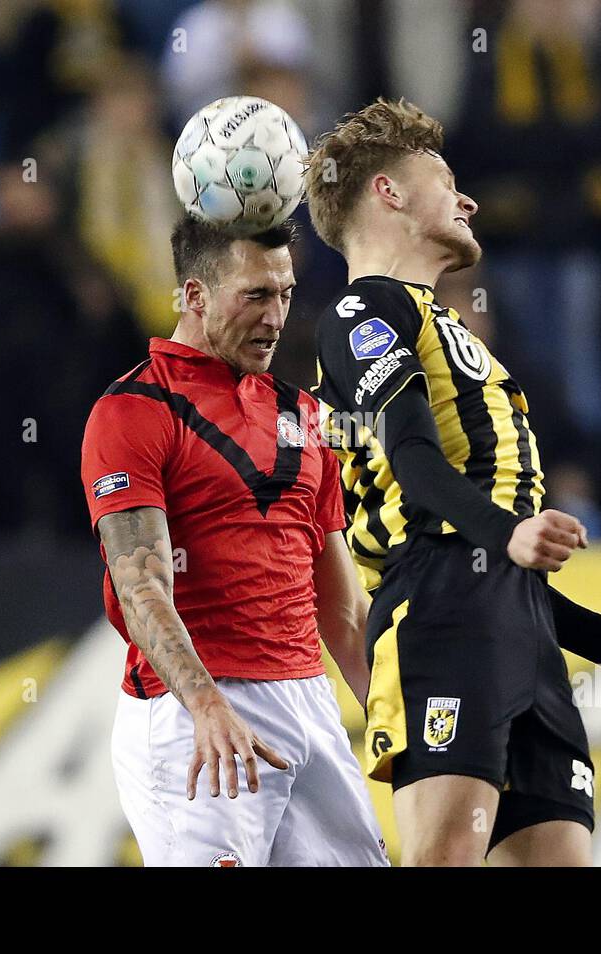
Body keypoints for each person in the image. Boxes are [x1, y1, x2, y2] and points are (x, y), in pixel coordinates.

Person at [303, 98, 601, 866]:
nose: (468, 199)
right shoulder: (364, 309)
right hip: (440, 622)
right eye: (445, 179)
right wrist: (511, 530)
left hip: (513, 633)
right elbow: (416, 464)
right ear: (387, 194)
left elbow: (498, 565)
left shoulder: (444, 325)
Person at [81, 216, 387, 867]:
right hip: (192, 711)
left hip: (308, 706)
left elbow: (343, 614)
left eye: (285, 293)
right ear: (194, 296)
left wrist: (401, 725)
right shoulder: (133, 410)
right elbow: (142, 591)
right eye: (255, 294)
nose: (276, 315)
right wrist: (205, 705)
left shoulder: (303, 414)